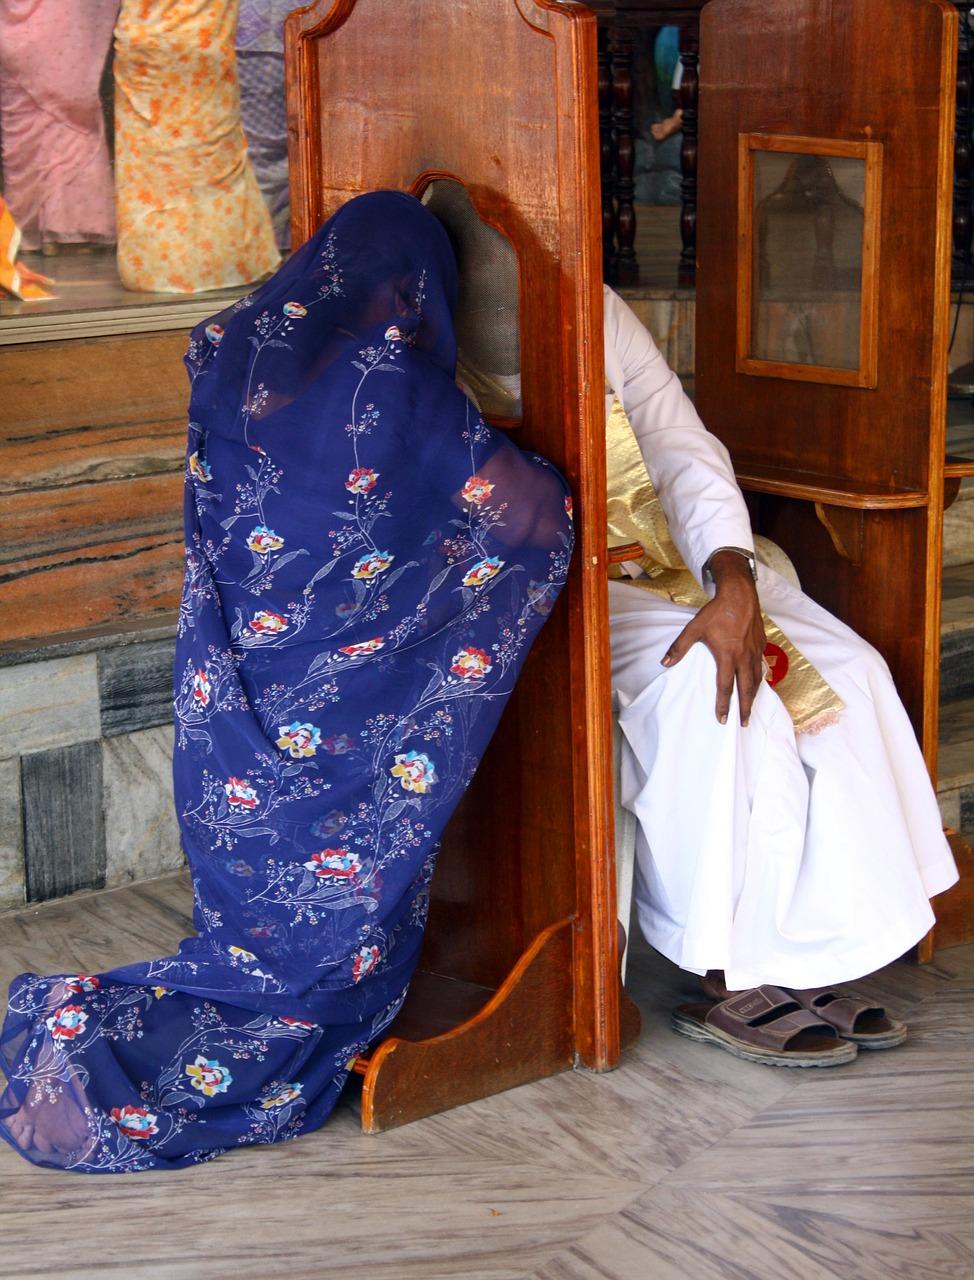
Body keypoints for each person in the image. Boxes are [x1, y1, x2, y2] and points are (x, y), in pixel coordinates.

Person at [0, 192, 573, 1172]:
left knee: (257, 928)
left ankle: (101, 1034)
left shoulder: (234, 352)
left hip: (228, 715)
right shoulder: (393, 390)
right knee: (309, 965)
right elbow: (527, 517)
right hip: (340, 736)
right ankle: (127, 1068)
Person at [604, 285, 959, 1065]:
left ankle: (811, 949)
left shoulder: (598, 307)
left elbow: (681, 446)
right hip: (573, 581)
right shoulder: (431, 313)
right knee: (716, 693)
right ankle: (728, 968)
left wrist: (731, 575)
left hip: (675, 558)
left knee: (853, 671)